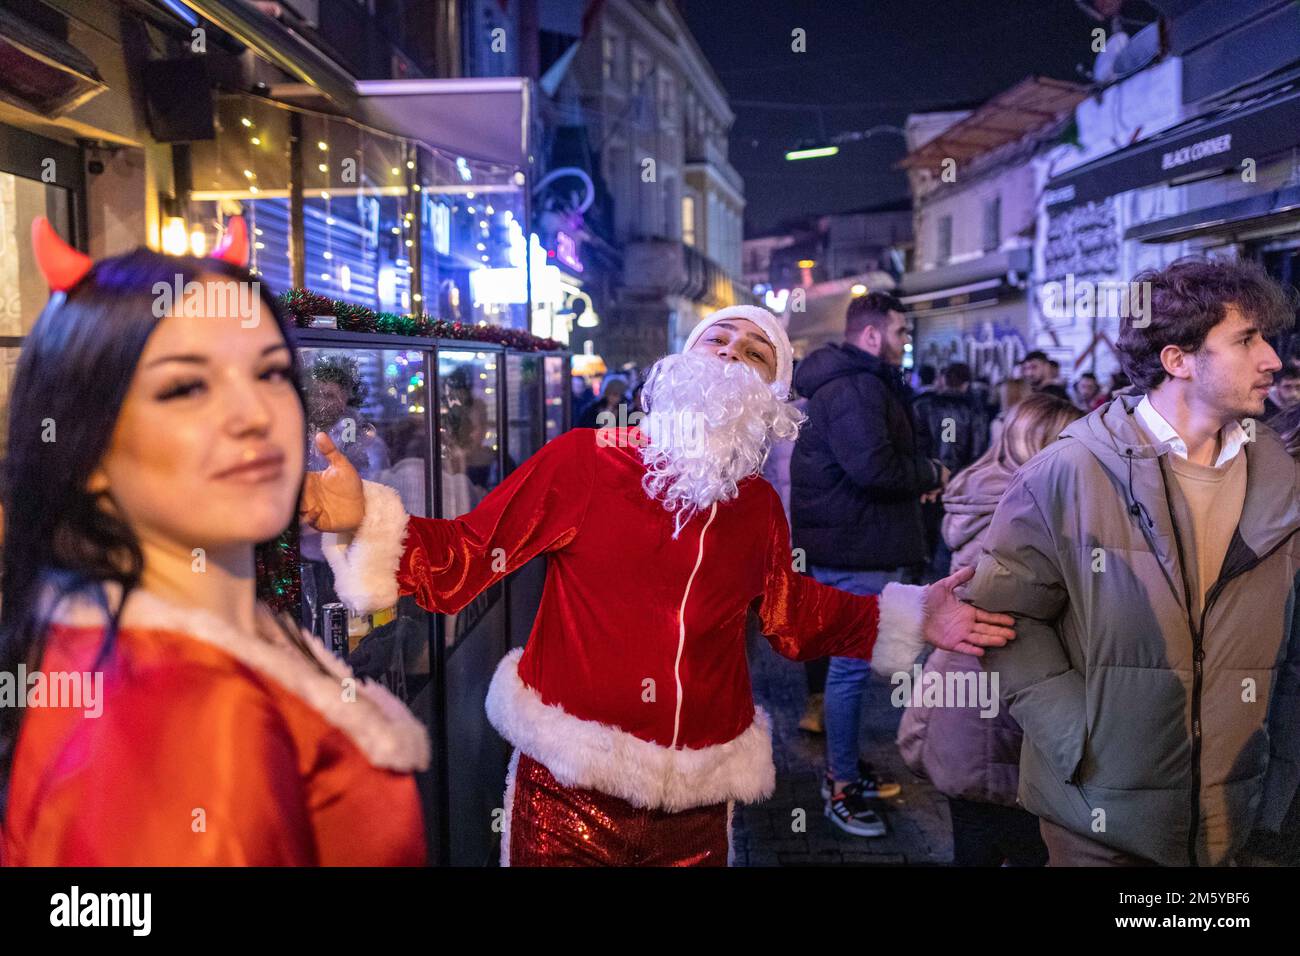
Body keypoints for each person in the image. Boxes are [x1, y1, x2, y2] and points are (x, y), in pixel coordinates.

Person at [302, 303, 1015, 866]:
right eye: (718, 340)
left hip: (700, 801)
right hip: (569, 792)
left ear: (772, 393)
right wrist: (363, 516)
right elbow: (465, 557)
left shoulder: (759, 507)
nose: (732, 353)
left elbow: (794, 615)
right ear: (682, 361)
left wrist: (918, 614)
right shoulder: (586, 461)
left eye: (755, 351)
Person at [0, 219, 428, 866]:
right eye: (186, 386)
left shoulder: (121, 642)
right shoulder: (190, 717)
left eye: (271, 373)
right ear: (84, 445)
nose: (254, 414)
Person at [964, 257, 1300, 866]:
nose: (1272, 359)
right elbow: (1004, 621)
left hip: (1239, 821)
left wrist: (1282, 771)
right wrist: (1082, 742)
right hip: (1100, 828)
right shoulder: (1069, 471)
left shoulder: (1282, 478)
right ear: (1178, 360)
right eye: (1247, 340)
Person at [897, 392, 1084, 866]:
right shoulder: (1034, 514)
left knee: (974, 845)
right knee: (1027, 846)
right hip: (1007, 714)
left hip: (958, 705)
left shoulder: (976, 498)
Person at [789, 291, 948, 837]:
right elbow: (874, 467)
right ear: (873, 335)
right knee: (850, 669)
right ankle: (839, 786)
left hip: (854, 541)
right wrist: (931, 473)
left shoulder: (854, 383)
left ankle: (846, 767)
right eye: (901, 333)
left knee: (850, 667)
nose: (906, 345)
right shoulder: (856, 387)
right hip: (855, 545)